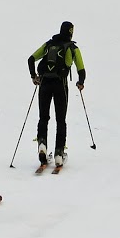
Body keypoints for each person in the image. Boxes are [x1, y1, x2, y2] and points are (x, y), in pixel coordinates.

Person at [27, 21, 86, 168]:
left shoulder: (49, 44)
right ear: (71, 32)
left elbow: (31, 59)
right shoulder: (72, 48)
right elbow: (81, 69)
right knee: (61, 119)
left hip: (45, 83)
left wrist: (34, 76)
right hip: (61, 84)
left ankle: (42, 144)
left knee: (43, 117)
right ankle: (59, 153)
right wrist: (80, 82)